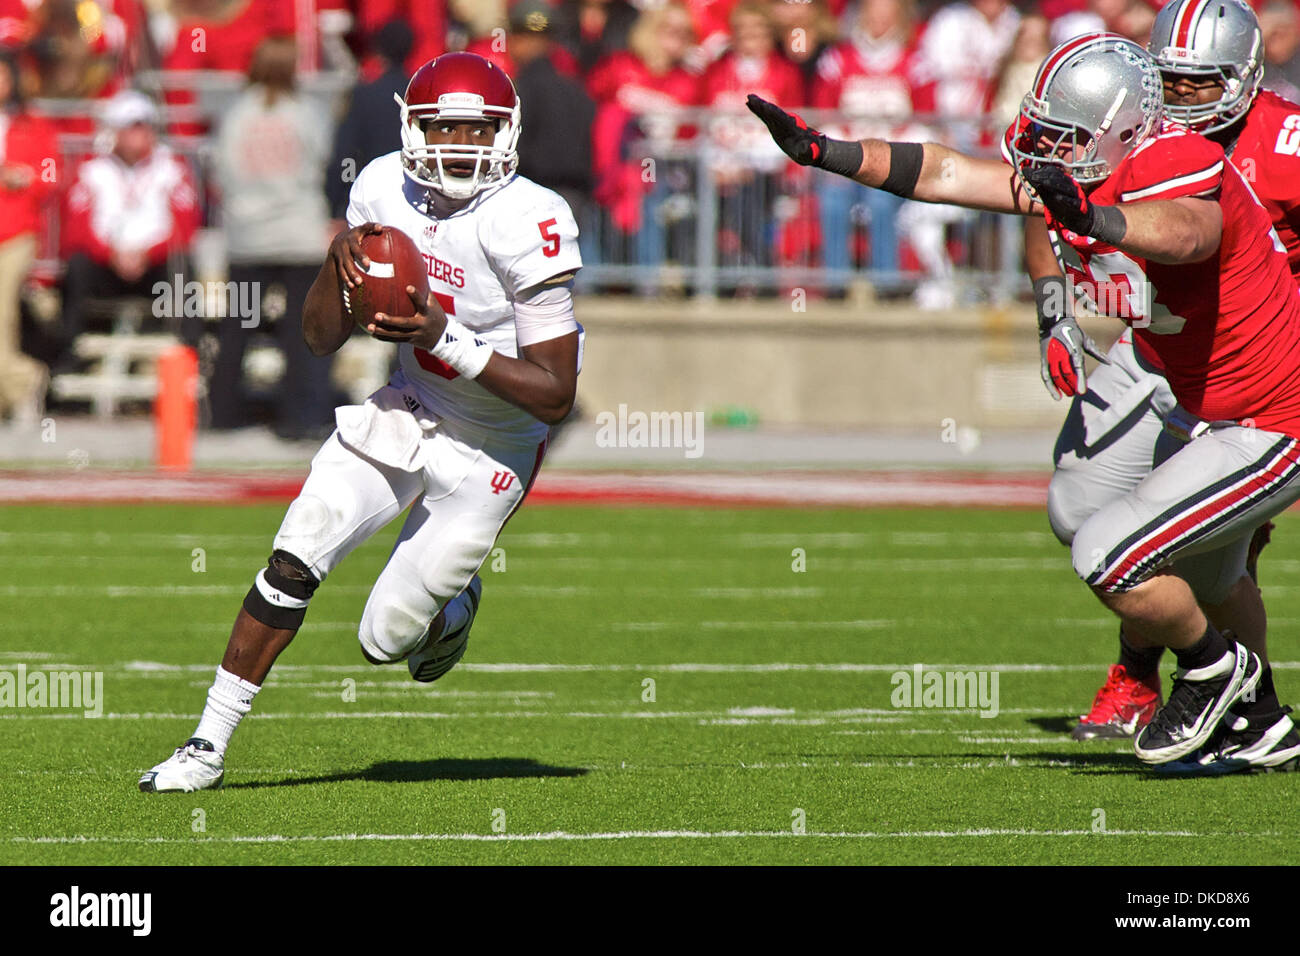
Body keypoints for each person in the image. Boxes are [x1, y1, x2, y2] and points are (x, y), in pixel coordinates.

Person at [748, 32, 1300, 773]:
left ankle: (1211, 672)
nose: (1046, 147)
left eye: (1065, 135)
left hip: (1269, 416)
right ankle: (1264, 724)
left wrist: (1097, 218)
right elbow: (944, 171)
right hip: (1192, 395)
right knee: (1141, 541)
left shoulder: (1176, 157)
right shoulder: (1087, 162)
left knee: (1111, 556)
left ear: (1119, 128)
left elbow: (1188, 234)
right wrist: (829, 154)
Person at [139, 52, 583, 793]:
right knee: (294, 552)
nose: (457, 146)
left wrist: (443, 337)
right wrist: (335, 267)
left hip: (495, 443)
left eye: (477, 131)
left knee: (384, 641)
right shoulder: (382, 185)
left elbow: (553, 395)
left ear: (504, 136)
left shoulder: (531, 217)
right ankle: (205, 747)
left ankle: (453, 609)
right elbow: (318, 338)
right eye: (443, 128)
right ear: (413, 127)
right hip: (408, 407)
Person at [1029, 0, 1299, 762]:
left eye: (1201, 82)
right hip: (1156, 351)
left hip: (1258, 362)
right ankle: (1218, 688)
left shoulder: (1284, 144)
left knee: (1203, 553)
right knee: (1079, 509)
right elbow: (1035, 197)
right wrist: (1056, 316)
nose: (1185, 98)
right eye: (1171, 81)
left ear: (1244, 77)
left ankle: (1202, 688)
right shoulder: (1129, 128)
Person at [210, 36, 337, 438]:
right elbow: (324, 163)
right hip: (299, 233)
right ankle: (300, 418)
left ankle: (222, 412)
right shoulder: (308, 113)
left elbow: (220, 172)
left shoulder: (235, 114)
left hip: (248, 236)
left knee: (238, 327)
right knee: (302, 330)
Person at [59, 90, 198, 362]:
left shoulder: (172, 167)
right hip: (106, 264)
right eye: (132, 126)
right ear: (115, 131)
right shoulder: (91, 169)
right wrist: (111, 254)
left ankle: (189, 354)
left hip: (154, 264)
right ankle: (70, 357)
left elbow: (185, 226)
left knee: (183, 268)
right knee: (76, 267)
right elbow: (76, 228)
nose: (141, 132)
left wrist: (148, 254)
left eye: (145, 125)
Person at [0, 50, 58, 424]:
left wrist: (27, 178)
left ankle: (22, 383)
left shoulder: (33, 124)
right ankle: (20, 383)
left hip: (15, 229)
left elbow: (51, 177)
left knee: (2, 312)